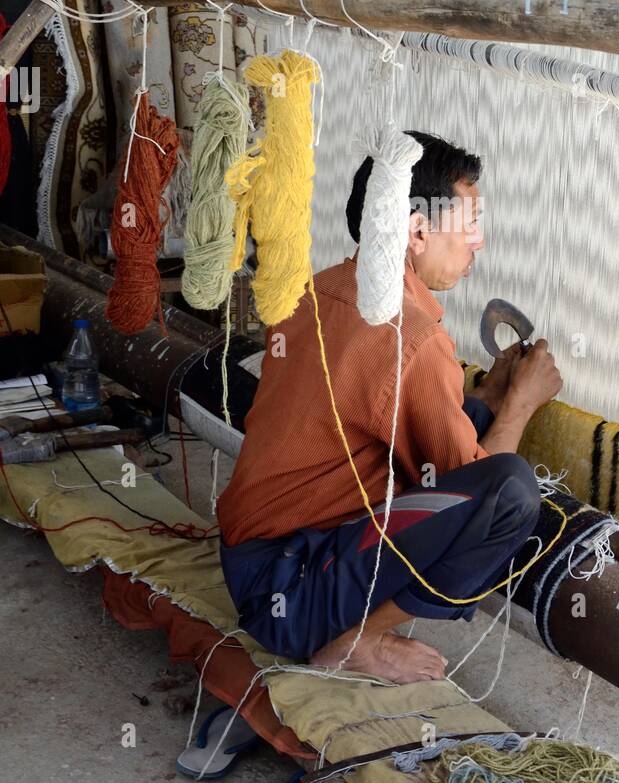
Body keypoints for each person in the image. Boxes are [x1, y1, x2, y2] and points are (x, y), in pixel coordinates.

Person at [218, 131, 562, 683]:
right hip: (291, 590)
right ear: (419, 230)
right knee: (512, 492)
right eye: (469, 225)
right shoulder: (411, 333)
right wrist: (520, 405)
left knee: (472, 420)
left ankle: (352, 622)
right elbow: (481, 490)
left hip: (253, 562)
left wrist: (492, 398)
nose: (478, 242)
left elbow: (382, 410)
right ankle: (359, 640)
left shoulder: (317, 290)